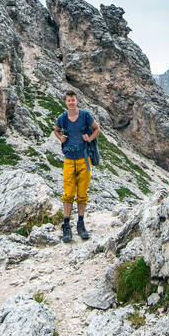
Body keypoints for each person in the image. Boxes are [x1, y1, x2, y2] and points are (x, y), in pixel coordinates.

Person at [53, 89, 100, 243]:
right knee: (68, 193)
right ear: (65, 102)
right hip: (69, 160)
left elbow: (97, 128)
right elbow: (56, 130)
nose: (71, 103)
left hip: (84, 160)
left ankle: (80, 224)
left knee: (82, 193)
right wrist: (61, 138)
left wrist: (90, 138)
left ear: (77, 101)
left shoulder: (85, 116)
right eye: (69, 100)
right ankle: (66, 226)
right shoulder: (62, 118)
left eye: (73, 100)